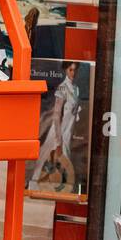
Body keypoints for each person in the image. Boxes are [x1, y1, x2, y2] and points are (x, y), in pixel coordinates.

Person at [31, 61, 82, 190]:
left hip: (69, 130)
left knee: (64, 159)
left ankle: (62, 186)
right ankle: (35, 183)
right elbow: (57, 114)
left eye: (75, 70)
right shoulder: (62, 88)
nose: (73, 73)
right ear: (66, 70)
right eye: (71, 70)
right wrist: (58, 139)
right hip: (59, 129)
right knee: (47, 154)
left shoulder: (76, 88)